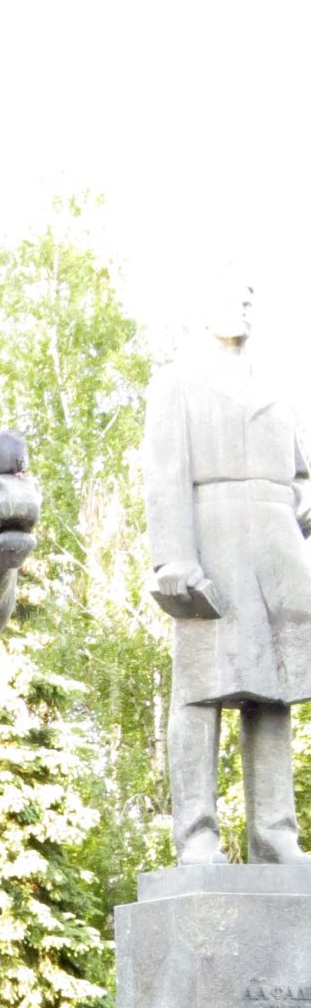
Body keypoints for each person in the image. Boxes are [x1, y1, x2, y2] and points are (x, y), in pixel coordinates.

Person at [144, 277, 311, 863]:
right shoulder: (176, 382)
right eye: (227, 294)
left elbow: (302, 473)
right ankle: (197, 835)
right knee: (199, 691)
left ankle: (276, 835)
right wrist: (174, 556)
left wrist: (298, 507)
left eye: (247, 296)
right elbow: (165, 475)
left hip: (277, 550)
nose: (240, 305)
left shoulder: (277, 385)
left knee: (273, 693)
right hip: (210, 545)